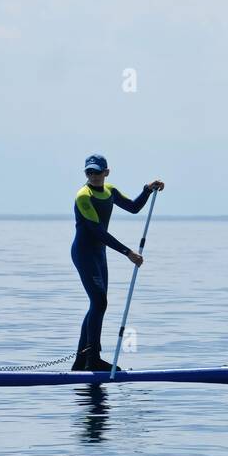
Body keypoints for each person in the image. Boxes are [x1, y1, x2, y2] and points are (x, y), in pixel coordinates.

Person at [70, 154, 164, 371]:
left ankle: (80, 361)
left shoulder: (110, 191)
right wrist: (128, 252)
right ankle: (92, 359)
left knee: (98, 303)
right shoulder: (83, 196)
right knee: (99, 302)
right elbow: (98, 232)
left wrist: (147, 190)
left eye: (97, 172)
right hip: (84, 253)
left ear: (106, 172)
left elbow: (133, 207)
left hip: (99, 255)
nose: (93, 176)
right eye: (89, 172)